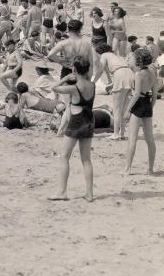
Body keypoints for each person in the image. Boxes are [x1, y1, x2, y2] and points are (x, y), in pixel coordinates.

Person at [49, 56, 95, 202]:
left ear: (74, 69)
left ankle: (62, 192)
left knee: (64, 157)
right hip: (89, 119)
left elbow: (54, 88)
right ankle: (89, 194)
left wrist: (66, 77)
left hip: (76, 120)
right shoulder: (92, 85)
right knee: (86, 159)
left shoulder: (73, 88)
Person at [123, 49, 157, 175]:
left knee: (132, 138)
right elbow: (154, 96)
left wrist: (128, 110)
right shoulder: (153, 73)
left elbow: (136, 94)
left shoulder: (138, 75)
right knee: (150, 139)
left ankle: (127, 169)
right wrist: (149, 108)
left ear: (138, 60)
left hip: (138, 104)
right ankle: (150, 169)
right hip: (147, 104)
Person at [91, 42, 134, 140]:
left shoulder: (104, 55)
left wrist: (93, 82)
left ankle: (115, 134)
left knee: (117, 108)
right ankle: (122, 133)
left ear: (99, 52)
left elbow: (100, 70)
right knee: (124, 108)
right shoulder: (116, 56)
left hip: (120, 74)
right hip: (130, 74)